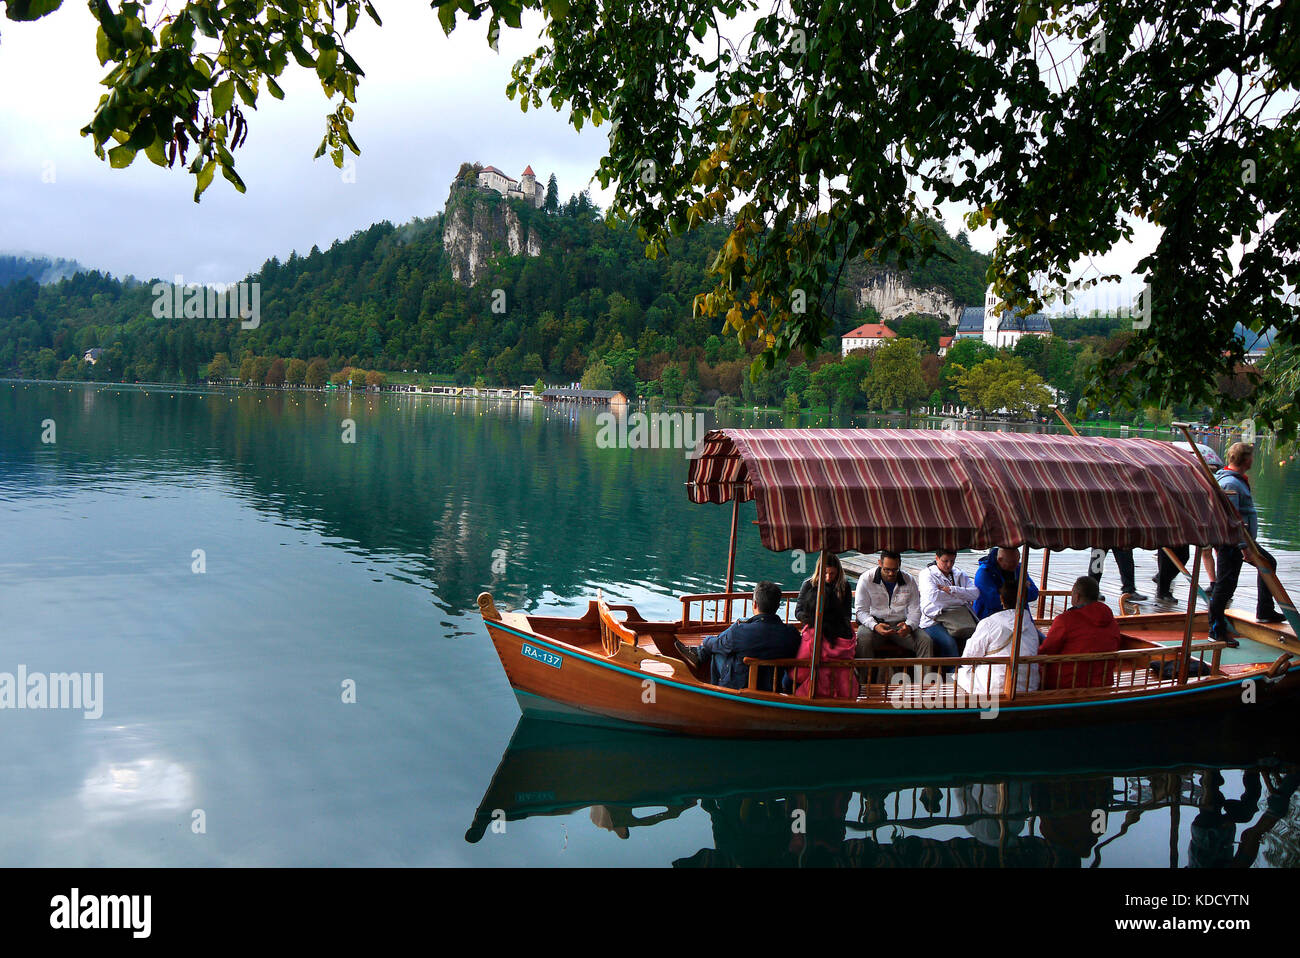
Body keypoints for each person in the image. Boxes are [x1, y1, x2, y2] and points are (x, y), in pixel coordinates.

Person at [1208, 442, 1284, 648]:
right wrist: (1244, 548)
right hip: (1234, 542)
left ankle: (1265, 611)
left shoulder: (1235, 481)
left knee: (1268, 563)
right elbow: (1233, 520)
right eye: (1251, 456)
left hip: (1243, 541)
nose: (1253, 460)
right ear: (1245, 459)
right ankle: (1215, 630)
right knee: (1225, 586)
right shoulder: (1231, 484)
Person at [676, 581, 800, 690]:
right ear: (778, 606)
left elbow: (715, 644)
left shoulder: (741, 631)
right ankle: (700, 654)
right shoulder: (791, 634)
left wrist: (707, 641)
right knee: (733, 637)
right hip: (772, 687)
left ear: (755, 604)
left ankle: (714, 689)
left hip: (740, 686)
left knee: (718, 650)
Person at [791, 552, 859, 698]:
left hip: (834, 630)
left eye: (832, 574)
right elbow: (798, 612)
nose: (828, 577)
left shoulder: (844, 586)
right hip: (815, 627)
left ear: (838, 572)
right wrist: (813, 621)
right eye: (825, 573)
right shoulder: (809, 584)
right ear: (819, 571)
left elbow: (847, 614)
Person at [957, 577, 1041, 696]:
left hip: (994, 686)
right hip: (1028, 686)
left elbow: (968, 659)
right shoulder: (1031, 626)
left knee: (958, 673)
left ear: (1001, 599)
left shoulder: (989, 623)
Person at [1038, 575, 1122, 689]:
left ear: (1076, 596)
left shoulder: (1066, 620)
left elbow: (1046, 650)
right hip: (1102, 682)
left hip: (1066, 682)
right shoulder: (1112, 622)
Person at [855, 550, 928, 664]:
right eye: (887, 569)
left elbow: (915, 610)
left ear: (900, 564)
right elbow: (861, 611)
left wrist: (909, 626)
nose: (891, 573)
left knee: (925, 641)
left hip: (901, 624)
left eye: (895, 570)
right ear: (880, 563)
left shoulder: (909, 580)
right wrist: (874, 626)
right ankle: (864, 680)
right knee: (863, 638)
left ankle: (924, 680)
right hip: (875, 623)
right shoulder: (866, 579)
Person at [918, 548, 980, 658]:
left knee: (974, 640)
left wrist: (952, 590)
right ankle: (951, 674)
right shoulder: (926, 574)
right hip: (933, 620)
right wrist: (962, 598)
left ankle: (967, 672)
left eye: (952, 561)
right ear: (936, 558)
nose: (949, 565)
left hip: (958, 617)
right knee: (949, 644)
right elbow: (934, 597)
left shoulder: (960, 574)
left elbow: (975, 594)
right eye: (945, 561)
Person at [972, 546, 1040, 620]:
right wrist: (1022, 589)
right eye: (1013, 562)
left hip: (1019, 618)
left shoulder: (1019, 568)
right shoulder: (984, 572)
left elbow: (1034, 593)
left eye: (1018, 561)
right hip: (990, 619)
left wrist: (1009, 595)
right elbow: (992, 601)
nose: (1017, 564)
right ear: (1000, 559)